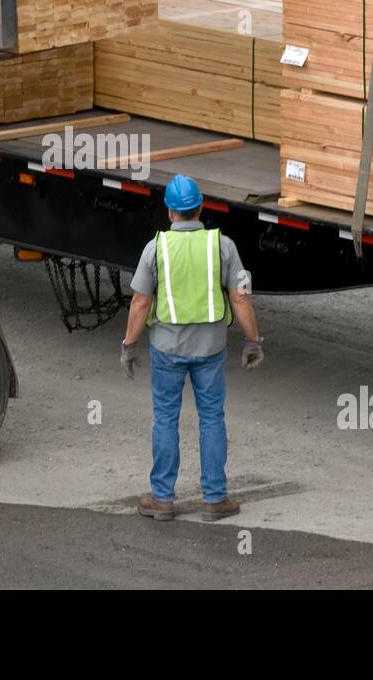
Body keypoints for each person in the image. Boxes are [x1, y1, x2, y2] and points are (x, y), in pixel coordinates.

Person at [120, 174, 264, 522]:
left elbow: (140, 303)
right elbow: (240, 298)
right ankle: (214, 499)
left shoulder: (156, 248)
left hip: (166, 350)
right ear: (201, 208)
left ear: (170, 212)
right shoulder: (223, 246)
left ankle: (162, 499)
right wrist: (252, 340)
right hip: (210, 350)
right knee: (212, 418)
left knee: (166, 418)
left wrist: (129, 345)